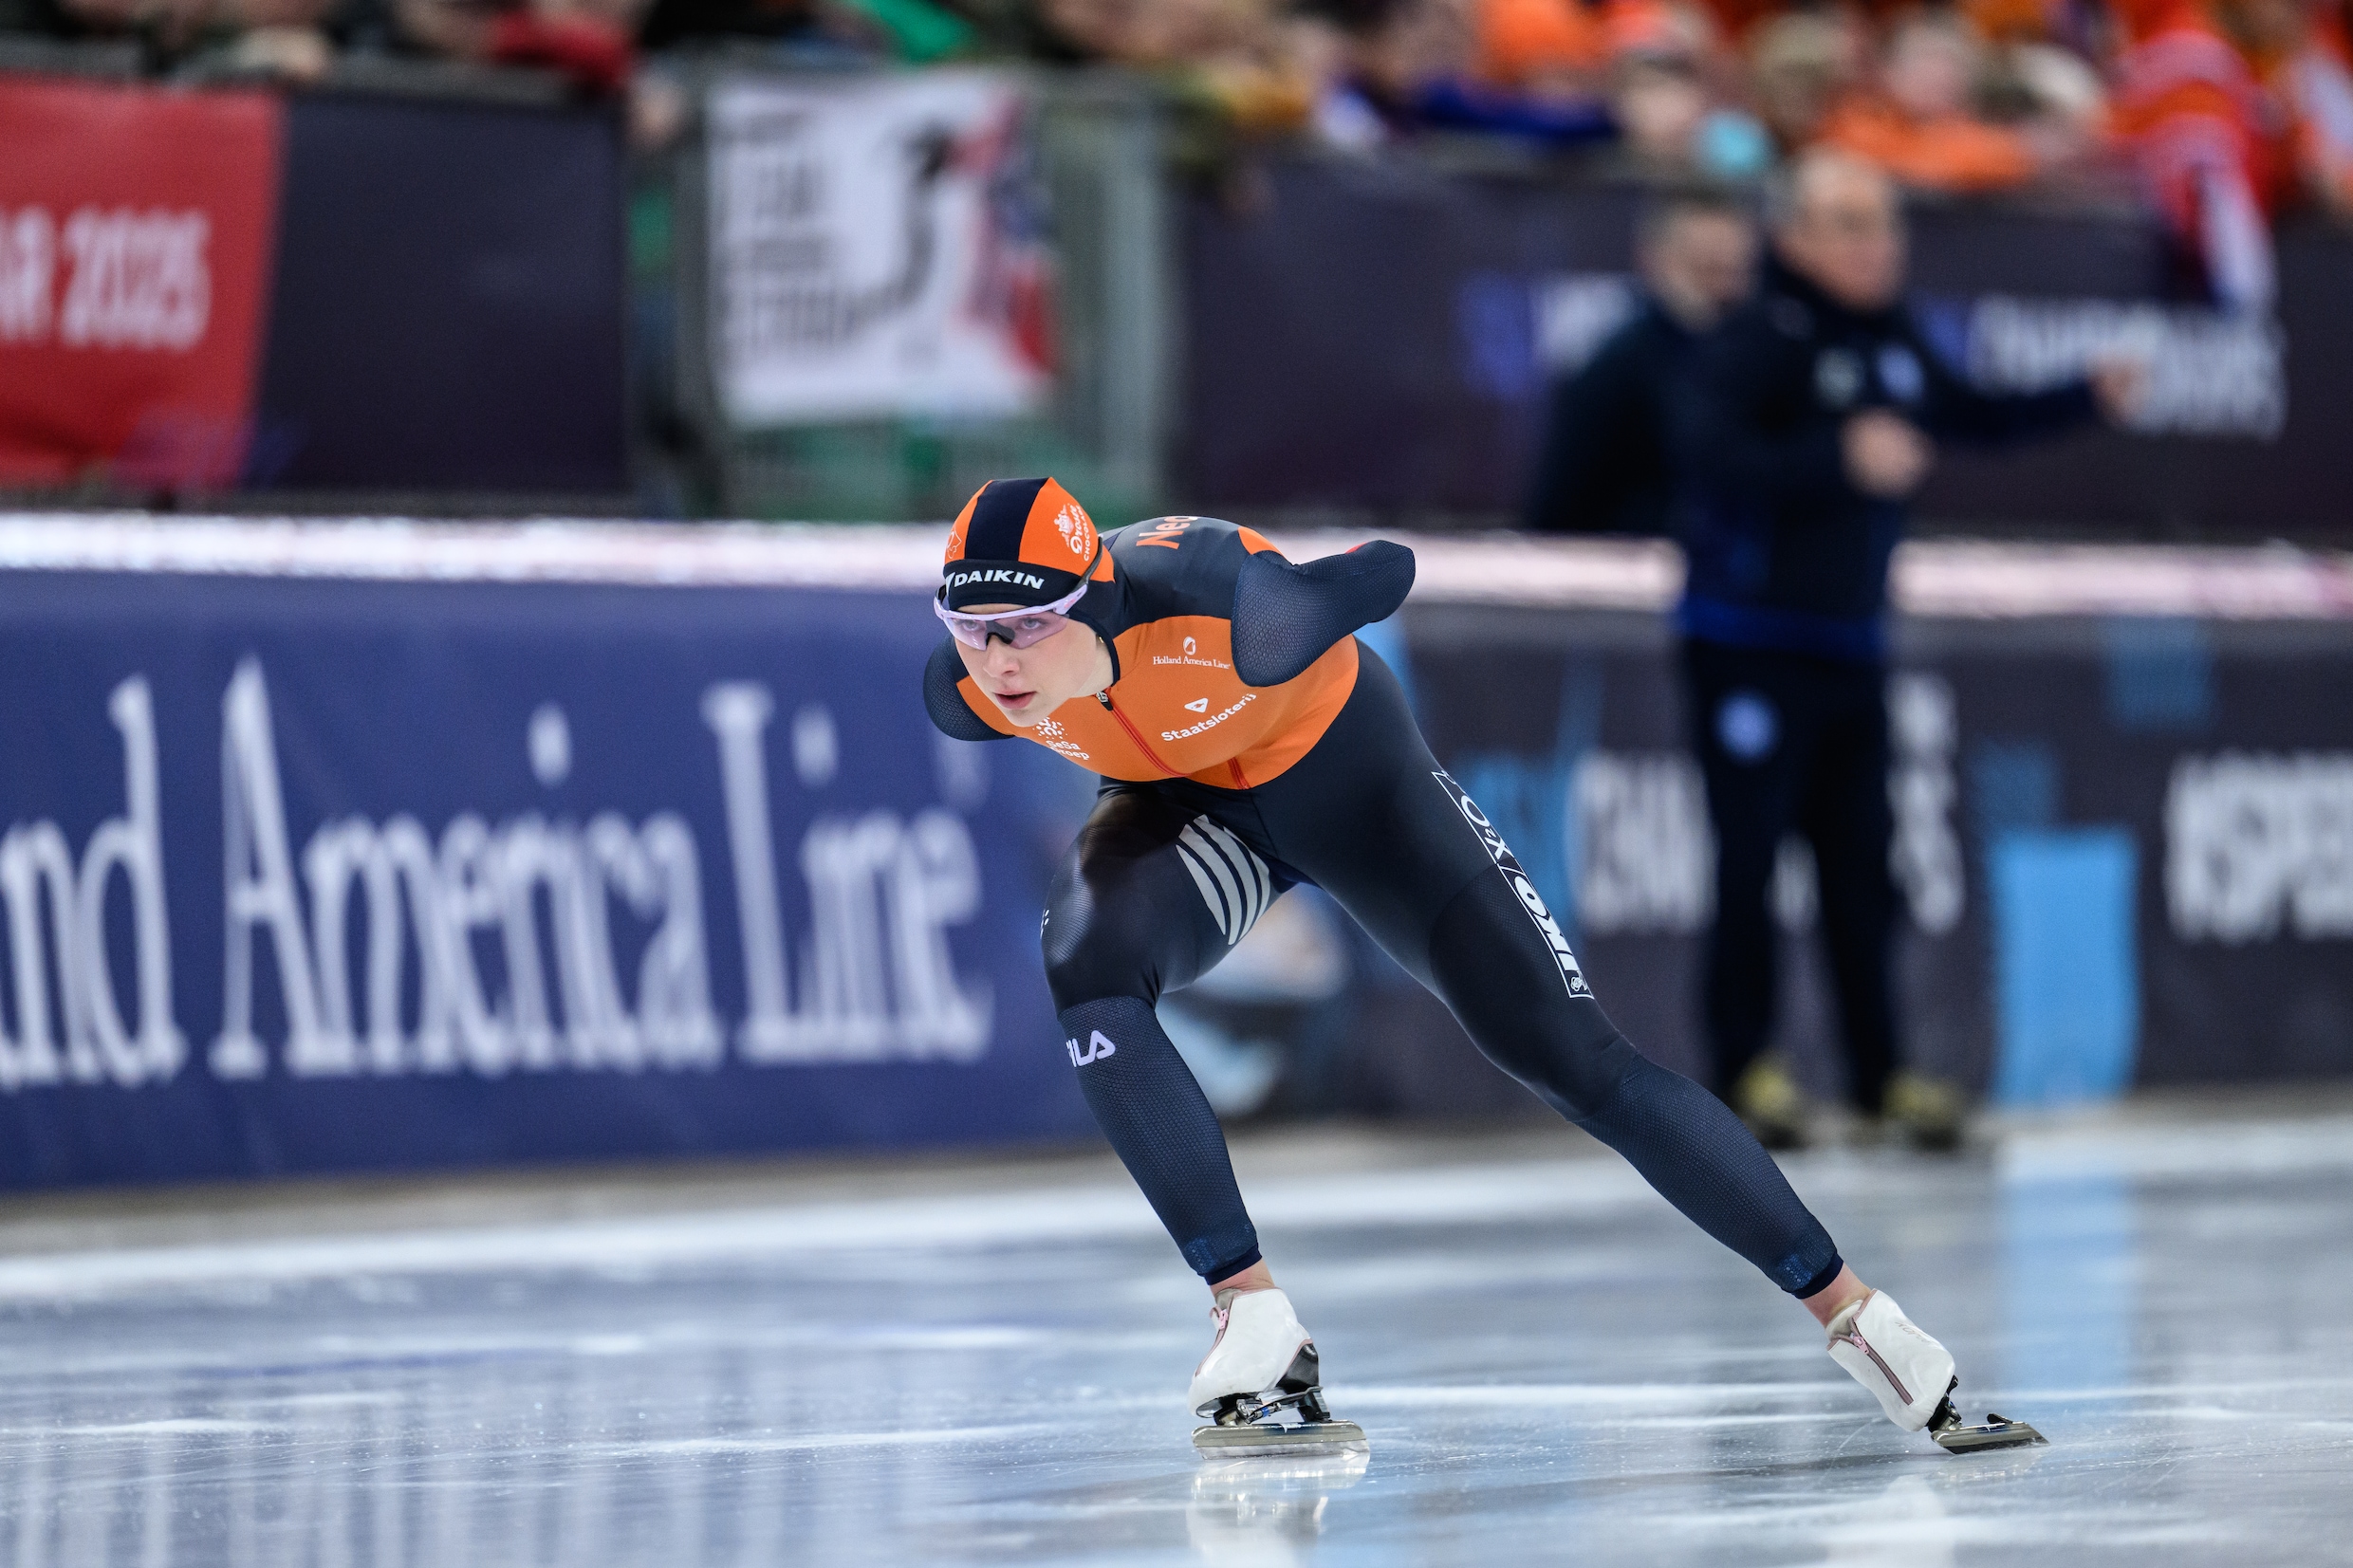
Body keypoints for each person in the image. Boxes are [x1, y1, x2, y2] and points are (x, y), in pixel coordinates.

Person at [920, 473, 2031, 1456]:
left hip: (1355, 790)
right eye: (970, 631)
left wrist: (1312, 594)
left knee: (1578, 1062)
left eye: (1024, 627)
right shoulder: (966, 690)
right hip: (1188, 812)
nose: (997, 662)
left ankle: (1860, 1318)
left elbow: (1384, 568)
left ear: (1091, 599)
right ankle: (1251, 1317)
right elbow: (1002, 670)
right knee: (1085, 966)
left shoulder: (1223, 611)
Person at [1670, 149, 2141, 1150]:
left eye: (1884, 224)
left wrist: (2082, 395)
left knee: (1861, 870)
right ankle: (1743, 1071)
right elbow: (1704, 454)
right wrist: (1832, 458)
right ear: (1793, 236)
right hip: (1749, 643)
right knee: (1749, 863)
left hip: (1852, 645)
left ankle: (1879, 1077)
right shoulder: (1758, 336)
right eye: (1848, 224)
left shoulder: (1891, 337)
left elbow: (1972, 413)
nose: (1875, 245)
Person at [1522, 184, 1757, 536]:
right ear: (1654, 259)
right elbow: (1556, 506)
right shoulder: (1615, 369)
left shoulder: (1762, 357)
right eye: (1705, 268)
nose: (1723, 289)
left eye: (1735, 271)